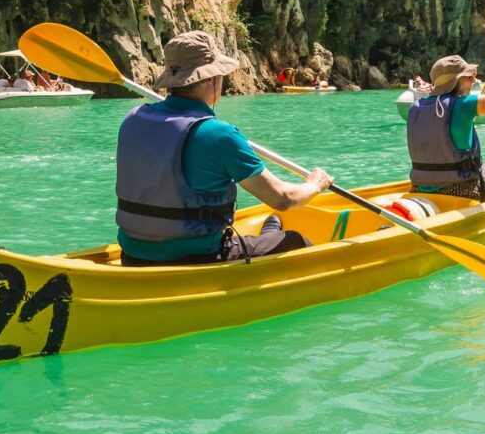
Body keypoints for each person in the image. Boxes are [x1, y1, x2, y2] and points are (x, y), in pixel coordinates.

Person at [117, 31, 332, 267]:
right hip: (198, 257)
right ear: (210, 79)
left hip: (132, 254)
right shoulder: (219, 135)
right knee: (294, 241)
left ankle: (269, 231)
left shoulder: (133, 119)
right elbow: (282, 199)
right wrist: (315, 184)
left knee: (267, 233)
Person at [406, 54, 485, 201]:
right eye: (468, 77)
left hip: (419, 188)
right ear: (456, 81)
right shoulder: (466, 104)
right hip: (462, 190)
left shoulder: (415, 107)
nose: (474, 80)